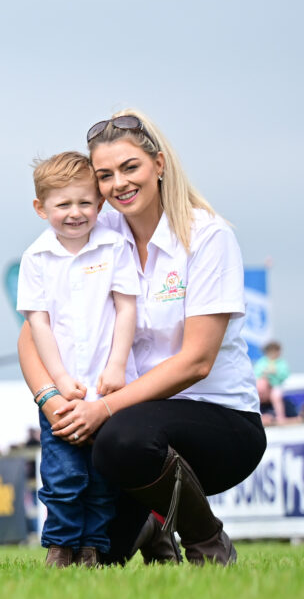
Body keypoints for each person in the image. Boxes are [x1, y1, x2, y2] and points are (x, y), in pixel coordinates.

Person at [19, 109, 266, 564]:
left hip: (217, 419)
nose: (119, 184)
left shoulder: (208, 237)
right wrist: (51, 399)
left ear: (159, 164)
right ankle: (154, 526)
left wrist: (104, 407)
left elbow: (197, 362)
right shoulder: (97, 231)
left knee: (122, 438)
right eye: (105, 175)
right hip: (125, 420)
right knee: (97, 557)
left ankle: (208, 541)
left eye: (130, 167)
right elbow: (33, 332)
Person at [16, 151, 139, 568]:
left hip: (106, 387)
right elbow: (39, 324)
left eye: (85, 203)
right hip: (67, 391)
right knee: (63, 475)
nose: (75, 213)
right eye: (63, 204)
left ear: (100, 205)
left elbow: (126, 309)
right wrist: (60, 379)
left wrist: (117, 366)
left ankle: (94, 547)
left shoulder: (114, 247)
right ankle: (60, 546)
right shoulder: (36, 259)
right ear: (41, 208)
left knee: (102, 477)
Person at [254, 341, 292, 425]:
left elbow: (285, 374)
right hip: (263, 388)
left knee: (276, 396)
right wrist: (264, 373)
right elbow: (256, 374)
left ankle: (280, 417)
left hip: (275, 385)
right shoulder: (262, 362)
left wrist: (275, 372)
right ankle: (257, 415)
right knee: (256, 394)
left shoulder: (281, 362)